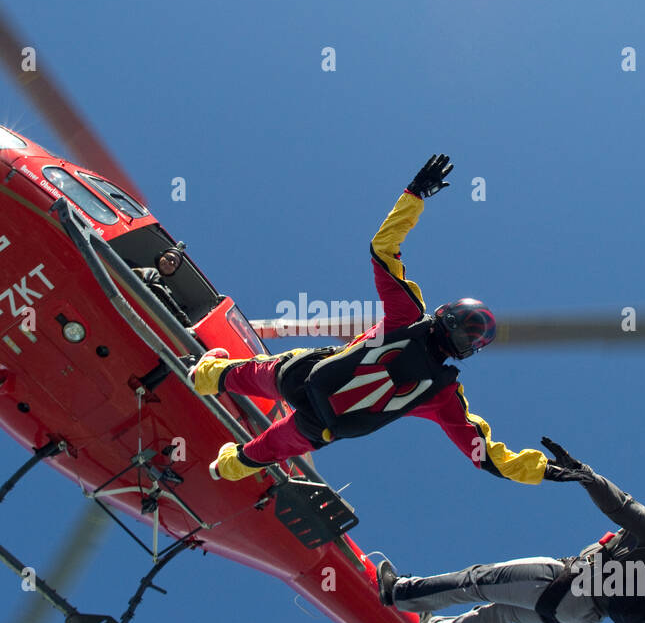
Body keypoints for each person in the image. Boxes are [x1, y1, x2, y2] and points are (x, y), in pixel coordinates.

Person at [188, 154, 555, 483]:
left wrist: (415, 195)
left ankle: (205, 377)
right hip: (324, 426)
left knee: (257, 374)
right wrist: (542, 470)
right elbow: (484, 454)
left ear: (448, 313)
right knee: (271, 448)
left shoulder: (408, 315)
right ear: (467, 350)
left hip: (303, 377)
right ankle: (228, 468)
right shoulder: (444, 392)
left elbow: (382, 249)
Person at [376, 438, 645, 623]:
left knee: (480, 581)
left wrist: (585, 475)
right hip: (581, 619)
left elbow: (622, 508)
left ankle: (399, 593)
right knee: (502, 614)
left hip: (572, 585)